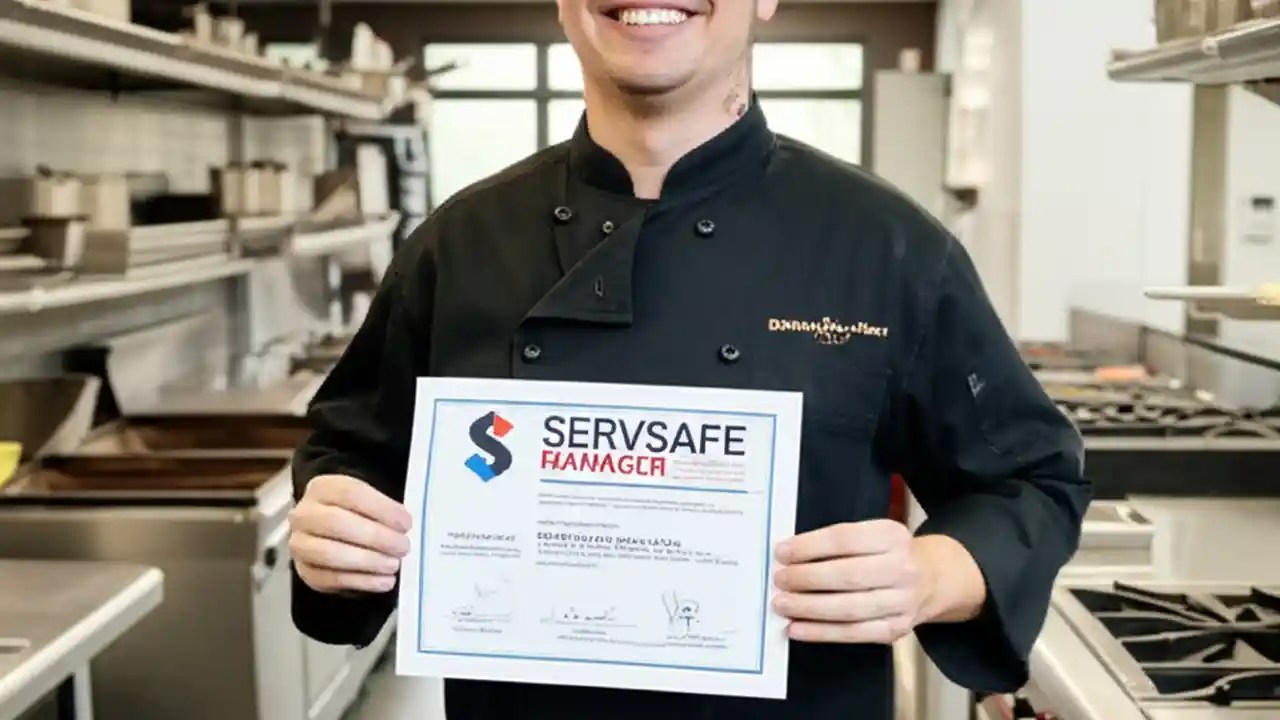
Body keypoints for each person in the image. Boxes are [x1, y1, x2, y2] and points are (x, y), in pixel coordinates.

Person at [286, 0, 1092, 717]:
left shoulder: (888, 247)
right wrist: (337, 531)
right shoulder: (457, 245)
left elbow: (1030, 480)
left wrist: (929, 574)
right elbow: (354, 454)